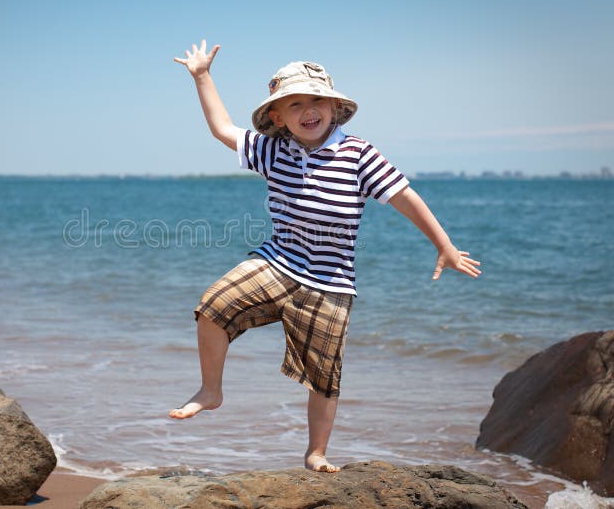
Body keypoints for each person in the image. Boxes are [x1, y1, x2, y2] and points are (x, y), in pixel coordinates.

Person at [169, 40, 481, 473]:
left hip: (331, 283)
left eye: (317, 100)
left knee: (323, 374)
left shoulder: (359, 154)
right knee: (213, 307)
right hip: (276, 263)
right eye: (294, 104)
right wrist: (202, 76)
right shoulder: (272, 150)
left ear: (334, 107)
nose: (308, 109)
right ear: (277, 117)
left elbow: (405, 197)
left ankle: (316, 452)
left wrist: (444, 245)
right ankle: (210, 390)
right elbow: (223, 129)